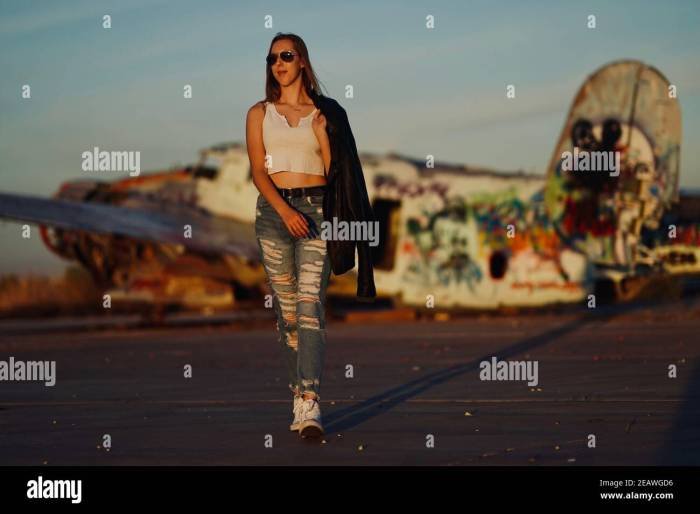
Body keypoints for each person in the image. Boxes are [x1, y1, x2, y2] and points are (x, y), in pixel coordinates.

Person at [245, 33, 334, 438]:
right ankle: (297, 394)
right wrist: (284, 211)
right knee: (289, 315)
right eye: (272, 58)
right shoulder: (259, 113)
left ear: (302, 61)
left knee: (310, 305)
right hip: (273, 214)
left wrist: (320, 135)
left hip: (317, 210)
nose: (278, 63)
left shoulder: (324, 113)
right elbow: (259, 173)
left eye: (286, 55)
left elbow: (336, 174)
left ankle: (311, 402)